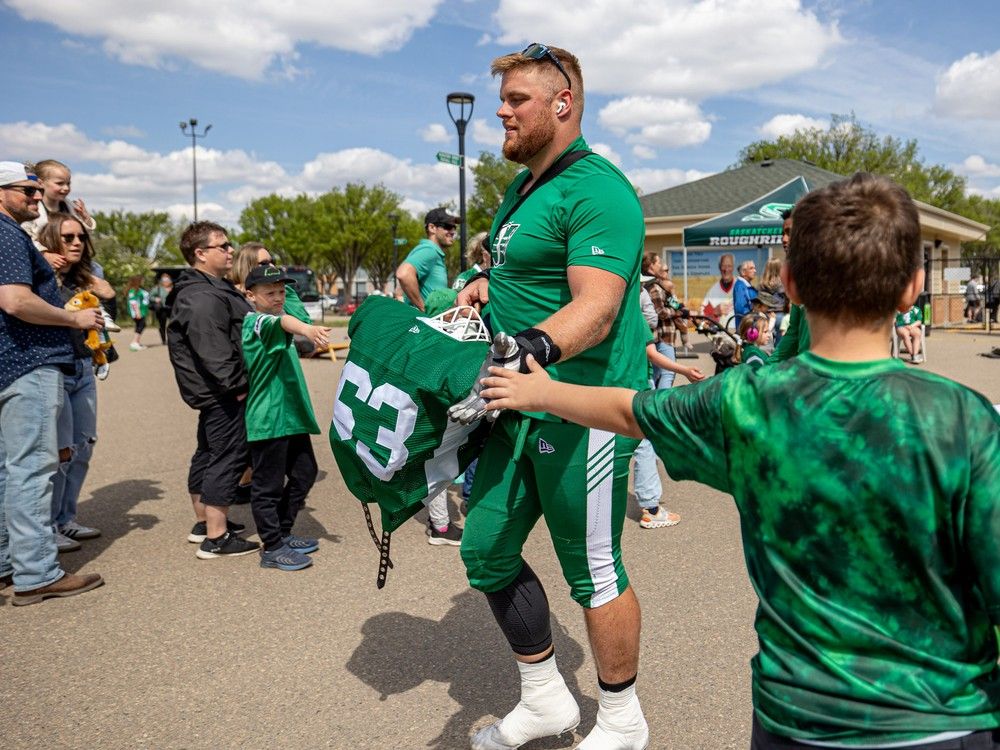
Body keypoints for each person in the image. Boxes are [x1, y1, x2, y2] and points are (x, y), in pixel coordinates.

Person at [481, 172, 1000, 750]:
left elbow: (634, 412)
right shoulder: (968, 419)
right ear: (913, 289)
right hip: (948, 718)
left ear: (791, 284)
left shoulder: (748, 402)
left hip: (799, 719)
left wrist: (540, 393)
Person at [453, 43, 651, 749]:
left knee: (593, 569)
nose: (500, 114)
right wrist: (484, 286)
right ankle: (544, 699)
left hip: (583, 405)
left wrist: (533, 347)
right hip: (514, 401)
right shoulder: (525, 187)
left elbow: (595, 309)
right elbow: (518, 268)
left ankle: (623, 719)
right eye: (501, 100)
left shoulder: (598, 188)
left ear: (562, 104)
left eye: (516, 101)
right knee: (486, 548)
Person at [0, 161, 104, 605]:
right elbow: (16, 301)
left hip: (15, 362)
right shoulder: (7, 233)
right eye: (28, 191)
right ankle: (37, 571)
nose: (37, 198)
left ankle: (10, 561)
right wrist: (72, 317)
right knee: (32, 470)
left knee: (11, 469)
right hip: (29, 362)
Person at [167, 221, 259, 558]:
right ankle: (216, 538)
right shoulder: (202, 295)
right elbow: (212, 348)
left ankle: (205, 522)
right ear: (200, 253)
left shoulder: (205, 288)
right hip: (223, 393)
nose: (231, 250)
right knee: (227, 456)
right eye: (223, 246)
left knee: (208, 452)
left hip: (214, 393)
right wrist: (237, 386)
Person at [242, 265, 331, 571]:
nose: (278, 297)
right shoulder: (256, 322)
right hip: (268, 419)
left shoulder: (276, 315)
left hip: (290, 417)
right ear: (250, 295)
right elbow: (283, 322)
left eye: (281, 291)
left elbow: (286, 316)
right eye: (270, 293)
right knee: (267, 486)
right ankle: (271, 546)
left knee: (305, 472)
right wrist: (308, 330)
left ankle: (283, 531)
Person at [37, 213, 109, 549]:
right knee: (60, 452)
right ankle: (47, 526)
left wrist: (85, 273)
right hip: (54, 368)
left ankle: (66, 520)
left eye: (80, 237)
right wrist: (43, 263)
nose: (77, 242)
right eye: (68, 238)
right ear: (51, 240)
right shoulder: (38, 273)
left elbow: (107, 290)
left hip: (83, 366)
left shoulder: (84, 276)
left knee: (83, 446)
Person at [21, 159, 97, 252]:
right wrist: (43, 253)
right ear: (40, 183)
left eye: (68, 183)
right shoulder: (31, 207)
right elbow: (25, 236)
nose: (66, 188)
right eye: (59, 183)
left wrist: (86, 221)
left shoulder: (71, 207)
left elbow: (80, 236)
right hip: (41, 261)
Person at [396, 207, 459, 312]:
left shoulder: (432, 252)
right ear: (432, 228)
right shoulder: (429, 250)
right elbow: (403, 274)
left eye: (454, 227)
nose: (452, 231)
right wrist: (423, 309)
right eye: (448, 226)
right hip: (425, 323)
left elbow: (399, 291)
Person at [757, 258, 786, 346]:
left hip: (767, 316)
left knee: (766, 343)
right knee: (780, 346)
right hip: (781, 316)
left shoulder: (762, 284)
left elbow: (760, 302)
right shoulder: (784, 283)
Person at [700, 252, 735, 326]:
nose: (726, 269)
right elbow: (702, 319)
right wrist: (714, 313)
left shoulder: (740, 287)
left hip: (738, 334)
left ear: (733, 268)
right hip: (719, 334)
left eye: (729, 266)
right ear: (719, 267)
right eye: (723, 266)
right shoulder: (713, 291)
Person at [732, 259, 758, 330]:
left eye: (754, 268)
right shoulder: (740, 286)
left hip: (749, 326)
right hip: (745, 328)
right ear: (743, 272)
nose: (755, 271)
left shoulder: (746, 285)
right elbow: (741, 309)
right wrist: (755, 314)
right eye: (751, 268)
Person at [126, 275, 150, 351]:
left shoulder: (139, 289)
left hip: (142, 311)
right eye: (142, 280)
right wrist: (137, 312)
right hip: (138, 312)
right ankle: (134, 342)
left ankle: (136, 342)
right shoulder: (133, 290)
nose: (143, 281)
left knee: (140, 325)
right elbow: (133, 302)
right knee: (141, 325)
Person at [149, 274, 173, 345]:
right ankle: (164, 340)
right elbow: (150, 296)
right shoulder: (158, 288)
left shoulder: (173, 288)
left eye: (168, 280)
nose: (166, 282)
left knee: (173, 324)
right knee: (162, 325)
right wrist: (155, 299)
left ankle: (172, 339)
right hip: (161, 309)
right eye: (164, 280)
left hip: (172, 308)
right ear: (162, 281)